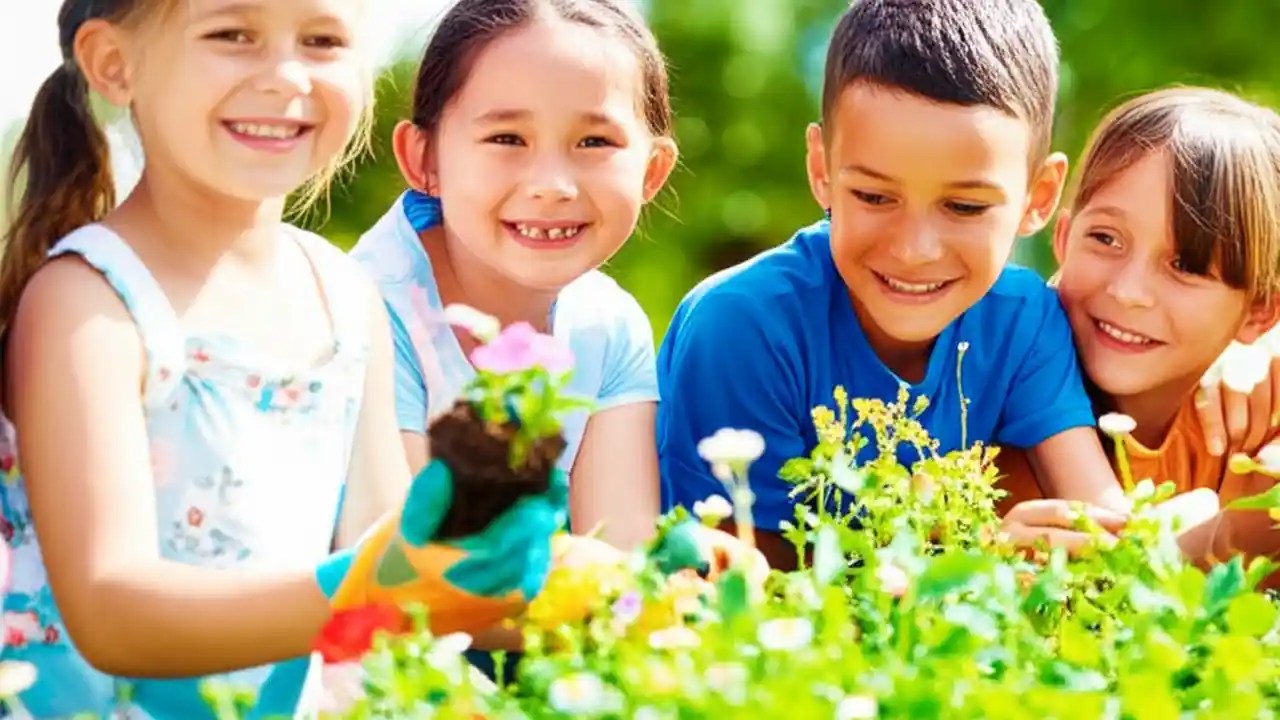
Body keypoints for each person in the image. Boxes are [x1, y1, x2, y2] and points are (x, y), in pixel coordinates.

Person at [0, 0, 417, 715]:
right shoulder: (88, 303)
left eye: (322, 40)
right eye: (232, 35)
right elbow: (112, 612)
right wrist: (387, 587)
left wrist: (495, 582)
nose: (287, 76)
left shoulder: (347, 298)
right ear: (114, 64)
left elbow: (391, 567)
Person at [656, 0, 1130, 570]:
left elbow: (1103, 522)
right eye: (875, 197)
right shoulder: (741, 327)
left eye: (964, 205)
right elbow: (747, 586)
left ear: (1040, 197)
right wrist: (978, 565)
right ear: (821, 169)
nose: (914, 249)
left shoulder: (1023, 321)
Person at [350, 0, 677, 552]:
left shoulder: (609, 325)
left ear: (652, 171)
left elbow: (625, 561)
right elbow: (407, 574)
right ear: (422, 158)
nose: (552, 184)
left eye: (594, 142)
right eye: (507, 139)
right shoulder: (366, 307)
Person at [995, 87, 1280, 567]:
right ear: (1063, 238)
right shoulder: (983, 393)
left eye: (1186, 265)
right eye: (1105, 238)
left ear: (1258, 311)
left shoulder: (1252, 414)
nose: (1129, 291)